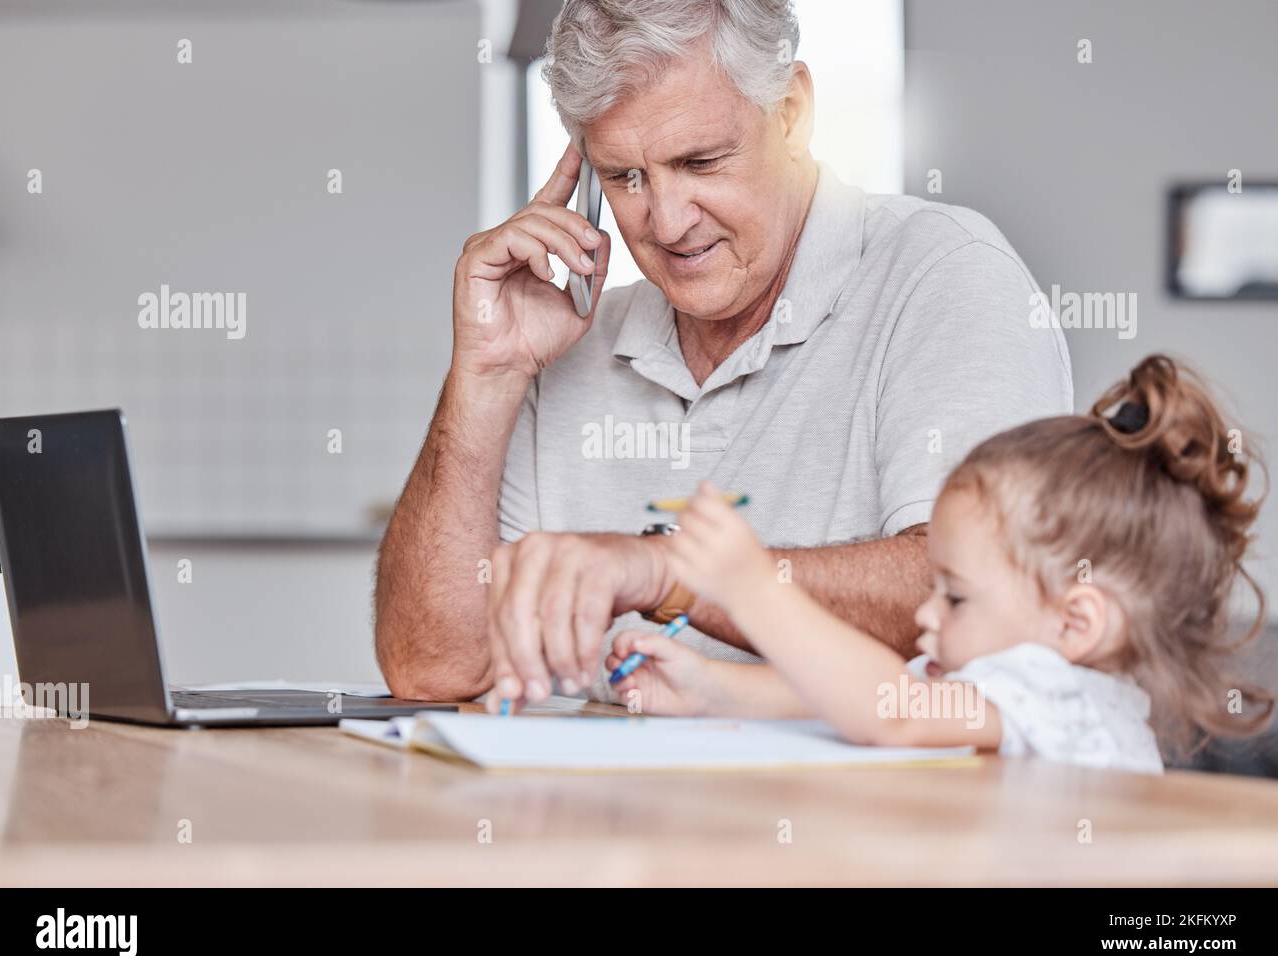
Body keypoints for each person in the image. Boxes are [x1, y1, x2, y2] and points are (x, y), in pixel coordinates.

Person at [374, 0, 1071, 707]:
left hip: (871, 814)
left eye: (700, 161)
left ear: (793, 113)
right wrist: (485, 376)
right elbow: (433, 668)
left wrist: (667, 573)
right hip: (608, 811)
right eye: (624, 178)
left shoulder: (947, 275)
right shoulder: (564, 347)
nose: (668, 223)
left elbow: (996, 601)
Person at [605, 356, 1275, 772]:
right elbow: (834, 701)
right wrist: (709, 690)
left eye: (955, 597)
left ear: (1075, 622)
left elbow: (888, 711)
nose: (926, 611)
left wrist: (752, 586)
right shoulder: (982, 680)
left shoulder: (1066, 698)